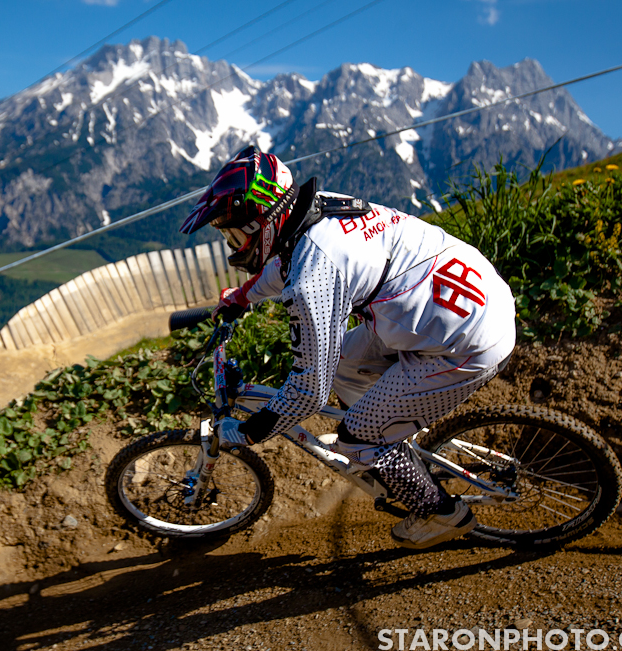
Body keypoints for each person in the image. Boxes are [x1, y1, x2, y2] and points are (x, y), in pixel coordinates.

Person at [179, 145, 516, 549]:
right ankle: (390, 438)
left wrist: (250, 432)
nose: (234, 246)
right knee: (342, 364)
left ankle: (439, 511)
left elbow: (309, 392)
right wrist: (241, 297)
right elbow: (283, 265)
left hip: (464, 343)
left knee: (356, 436)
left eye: (234, 234)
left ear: (262, 223)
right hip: (464, 294)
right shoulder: (319, 209)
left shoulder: (313, 278)